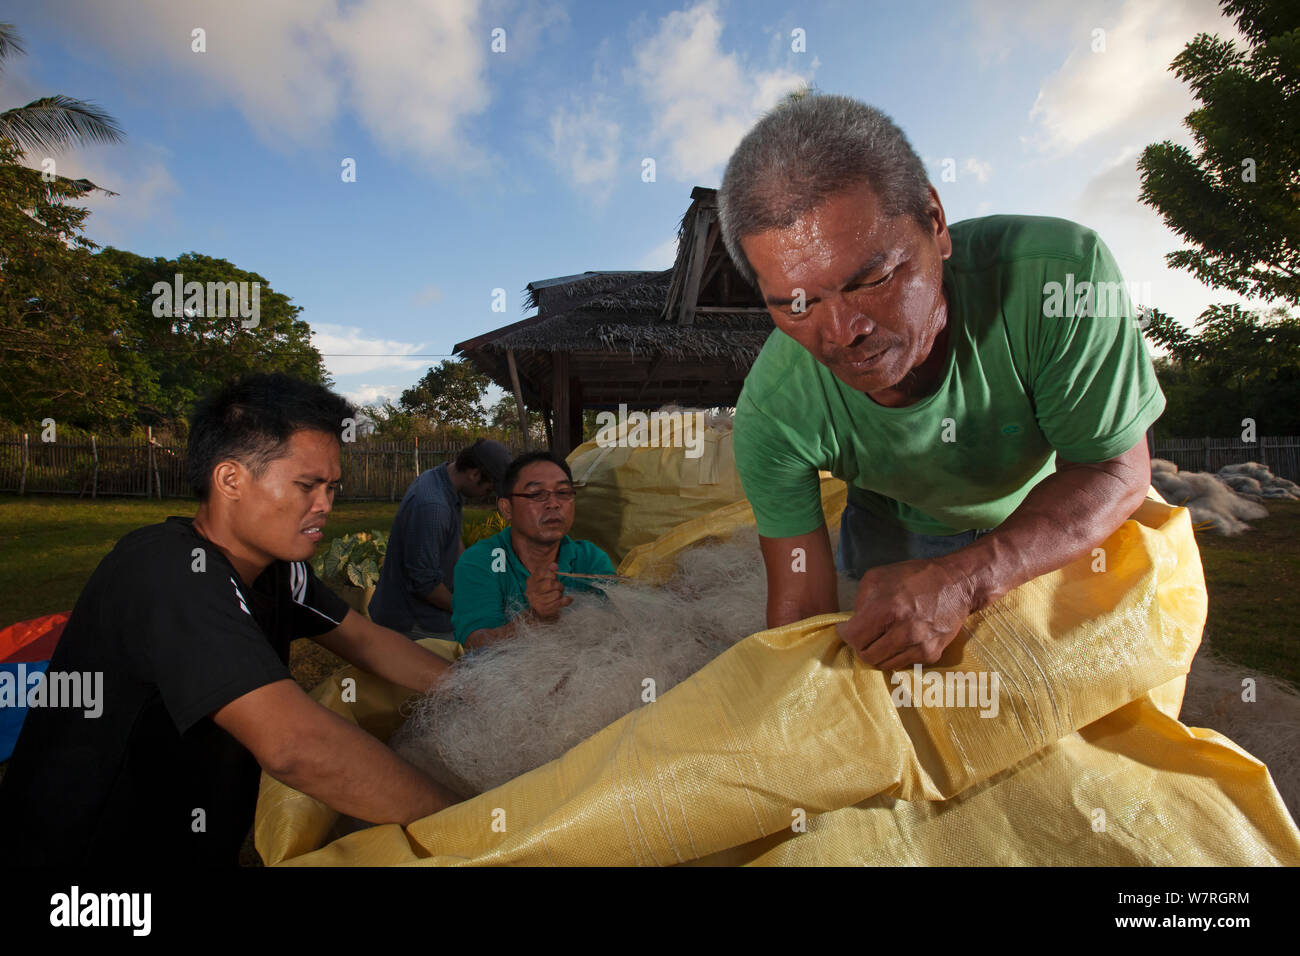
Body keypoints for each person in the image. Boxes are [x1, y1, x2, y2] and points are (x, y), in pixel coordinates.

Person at [717, 94, 1163, 671]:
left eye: (872, 279)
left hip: (1049, 514)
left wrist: (967, 578)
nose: (842, 333)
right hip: (892, 535)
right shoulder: (774, 412)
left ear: (935, 222)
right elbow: (800, 603)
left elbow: (1112, 469)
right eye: (795, 306)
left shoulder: (1061, 282)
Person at [0, 373, 461, 866]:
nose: (326, 505)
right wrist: (461, 821)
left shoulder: (279, 573)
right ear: (230, 480)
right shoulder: (168, 569)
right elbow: (294, 744)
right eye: (307, 485)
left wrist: (475, 687)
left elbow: (368, 641)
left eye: (332, 487)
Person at [452, 451, 616, 649]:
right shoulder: (482, 561)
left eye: (563, 493)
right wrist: (534, 618)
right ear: (506, 509)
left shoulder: (589, 559)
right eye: (537, 494)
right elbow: (476, 643)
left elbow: (616, 627)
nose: (554, 504)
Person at [368, 438, 512, 638]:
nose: (488, 494)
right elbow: (424, 583)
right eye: (489, 489)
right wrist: (471, 608)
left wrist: (474, 575)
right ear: (474, 474)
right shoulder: (433, 507)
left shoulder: (443, 479)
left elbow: (452, 541)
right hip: (413, 620)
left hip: (426, 608)